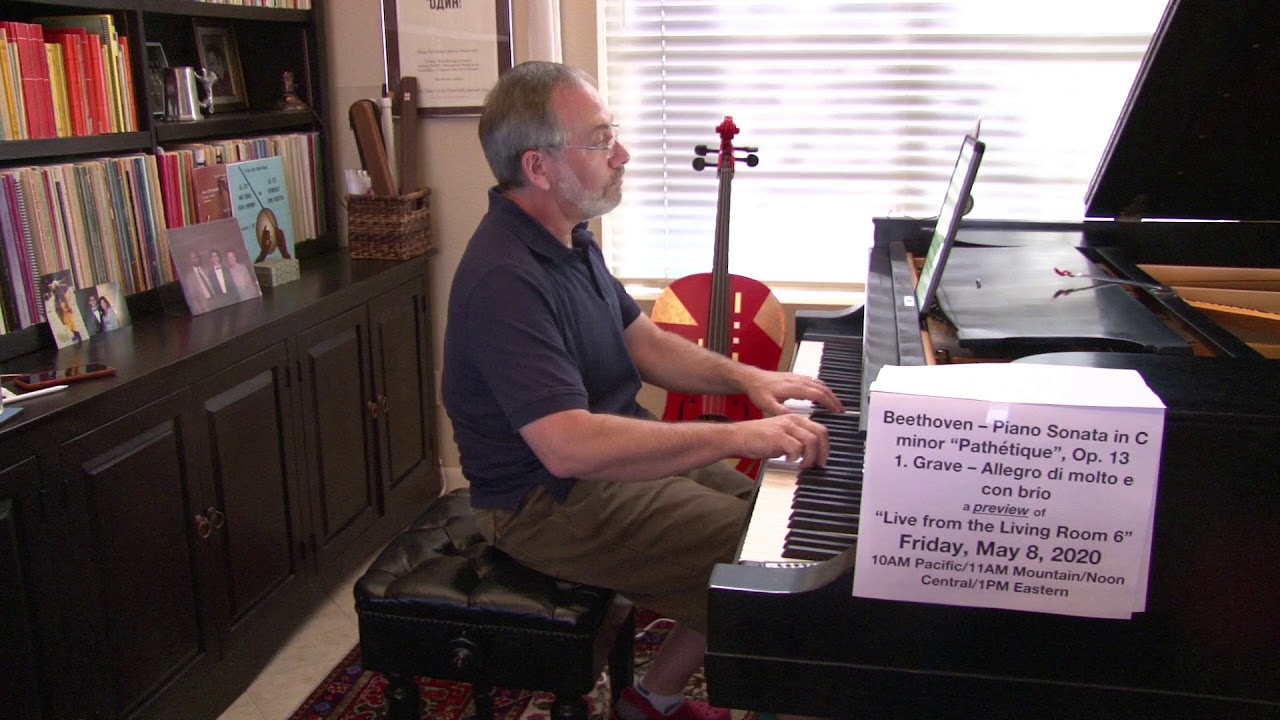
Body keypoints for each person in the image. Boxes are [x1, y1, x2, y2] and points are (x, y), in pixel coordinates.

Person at [441, 61, 843, 720]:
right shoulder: (505, 280)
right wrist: (740, 434)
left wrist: (751, 379)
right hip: (544, 501)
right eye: (600, 141)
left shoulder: (569, 237)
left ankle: (651, 699)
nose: (621, 154)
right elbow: (568, 447)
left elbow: (644, 342)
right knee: (772, 574)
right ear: (539, 168)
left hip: (608, 466)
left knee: (783, 525)